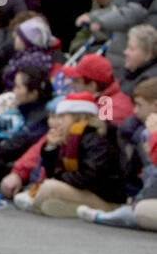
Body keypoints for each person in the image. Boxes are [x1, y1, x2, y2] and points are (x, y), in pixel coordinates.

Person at [21, 93, 126, 217]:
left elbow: (88, 176)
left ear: (78, 117)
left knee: (49, 187)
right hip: (84, 191)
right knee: (48, 192)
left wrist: (58, 178)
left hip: (104, 197)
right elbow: (51, 172)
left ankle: (38, 204)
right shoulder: (71, 138)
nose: (57, 123)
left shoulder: (96, 139)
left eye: (62, 117)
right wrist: (51, 147)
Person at [79, 77, 157, 228]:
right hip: (136, 189)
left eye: (139, 105)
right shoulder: (137, 128)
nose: (134, 111)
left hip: (133, 194)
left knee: (142, 209)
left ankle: (106, 214)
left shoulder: (148, 132)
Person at [0, 63, 54, 185]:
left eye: (18, 87)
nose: (14, 91)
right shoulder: (26, 110)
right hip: (15, 158)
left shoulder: (41, 118)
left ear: (33, 93)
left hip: (23, 167)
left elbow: (18, 144)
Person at [119, 24, 157, 95]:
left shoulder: (149, 81)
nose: (125, 52)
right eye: (127, 47)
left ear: (147, 54)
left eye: (131, 49)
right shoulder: (131, 70)